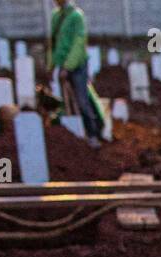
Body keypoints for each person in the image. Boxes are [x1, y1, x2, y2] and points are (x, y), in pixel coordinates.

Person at [50, 0, 103, 147]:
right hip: (62, 65)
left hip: (77, 65)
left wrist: (68, 67)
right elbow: (54, 42)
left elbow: (78, 43)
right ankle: (73, 137)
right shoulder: (56, 16)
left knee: (81, 100)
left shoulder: (76, 16)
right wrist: (53, 64)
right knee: (65, 102)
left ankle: (93, 133)